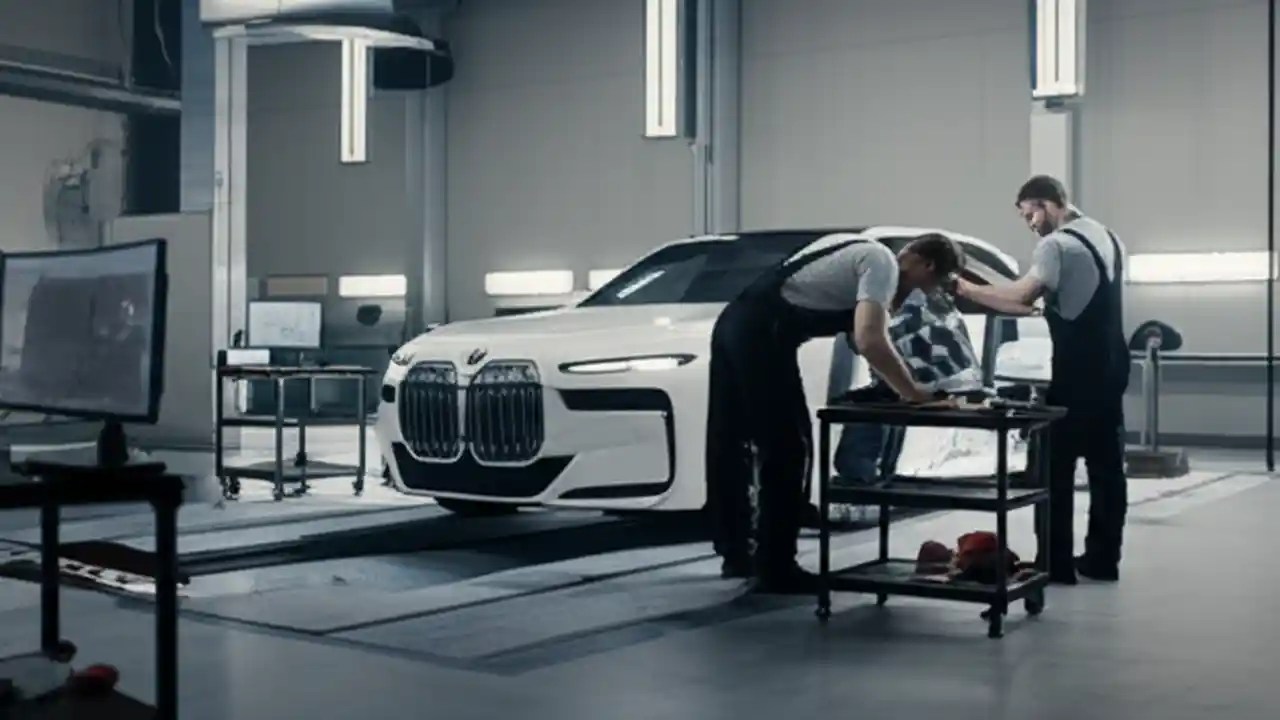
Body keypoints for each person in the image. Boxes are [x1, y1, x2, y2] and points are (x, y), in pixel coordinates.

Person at [706, 232, 965, 593]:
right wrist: (914, 395)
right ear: (927, 265)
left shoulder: (864, 255)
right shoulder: (882, 264)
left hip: (739, 327)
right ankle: (776, 568)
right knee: (787, 449)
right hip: (759, 335)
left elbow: (870, 343)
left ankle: (736, 553)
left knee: (733, 439)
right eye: (933, 285)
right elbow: (869, 338)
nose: (926, 293)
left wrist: (895, 383)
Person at [954, 175, 1129, 583]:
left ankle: (1055, 561)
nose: (1030, 223)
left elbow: (1020, 298)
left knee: (1055, 467)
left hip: (1079, 368)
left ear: (1048, 203)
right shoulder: (1107, 236)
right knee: (1107, 467)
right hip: (1113, 363)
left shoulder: (1055, 245)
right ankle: (1104, 560)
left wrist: (965, 288)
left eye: (1029, 212)